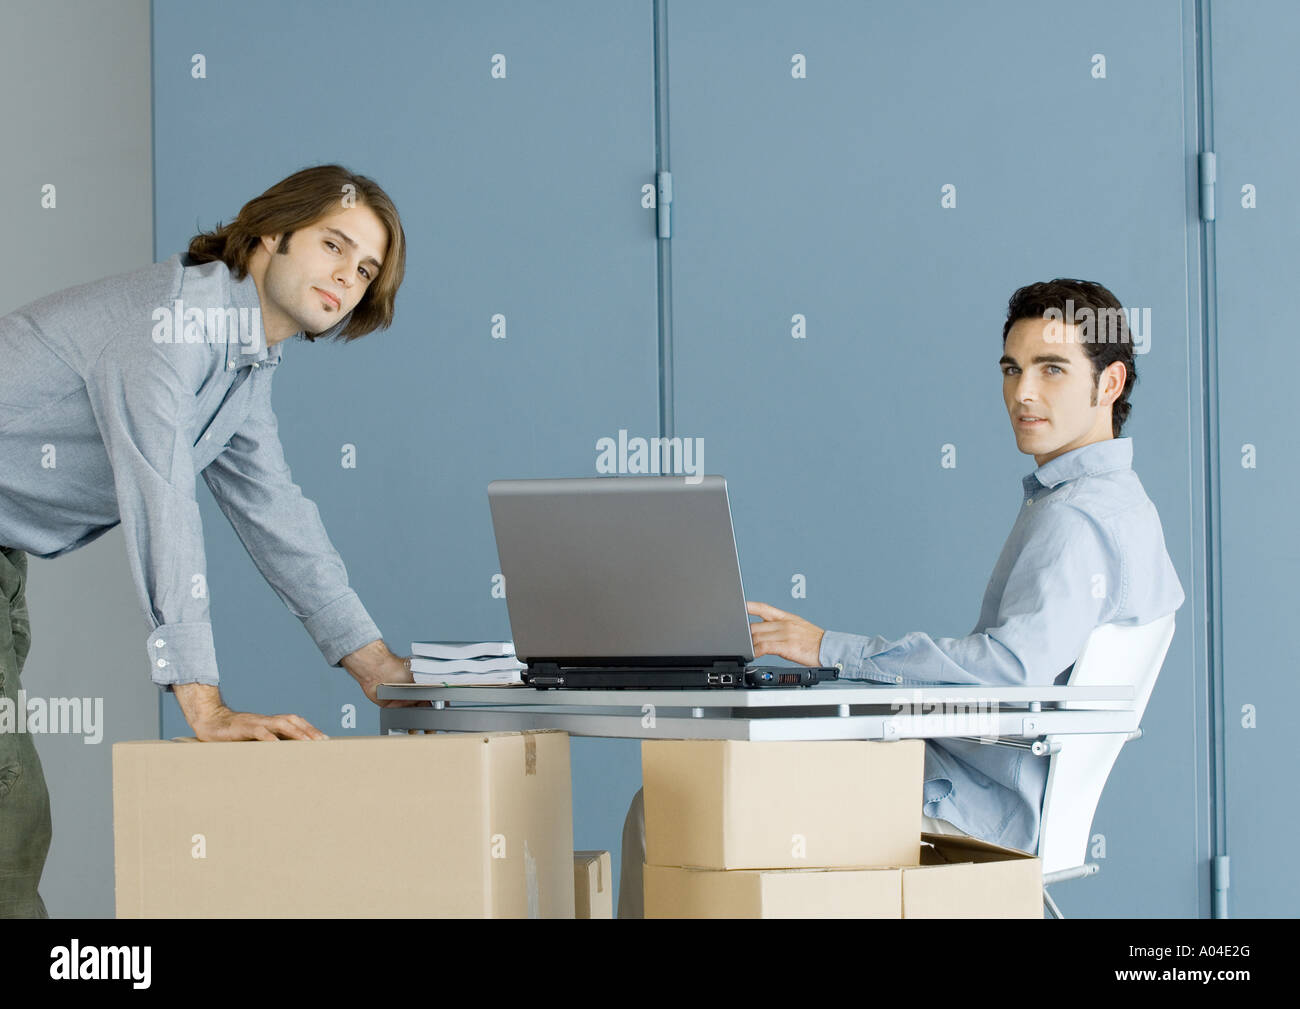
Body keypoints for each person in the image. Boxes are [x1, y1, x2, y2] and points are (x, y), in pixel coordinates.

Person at [618, 278, 1185, 917]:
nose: (1022, 392)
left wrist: (827, 648)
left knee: (669, 810)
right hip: (967, 786)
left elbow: (1010, 671)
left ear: (1109, 384)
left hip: (967, 813)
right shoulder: (1119, 505)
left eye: (1051, 369)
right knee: (689, 803)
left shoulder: (1077, 518)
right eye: (1012, 369)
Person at [0, 165, 423, 918]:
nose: (347, 276)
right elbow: (161, 499)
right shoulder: (172, 327)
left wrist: (380, 668)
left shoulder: (242, 364)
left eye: (365, 270)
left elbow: (277, 516)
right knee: (9, 815)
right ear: (271, 232)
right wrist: (205, 704)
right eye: (334, 245)